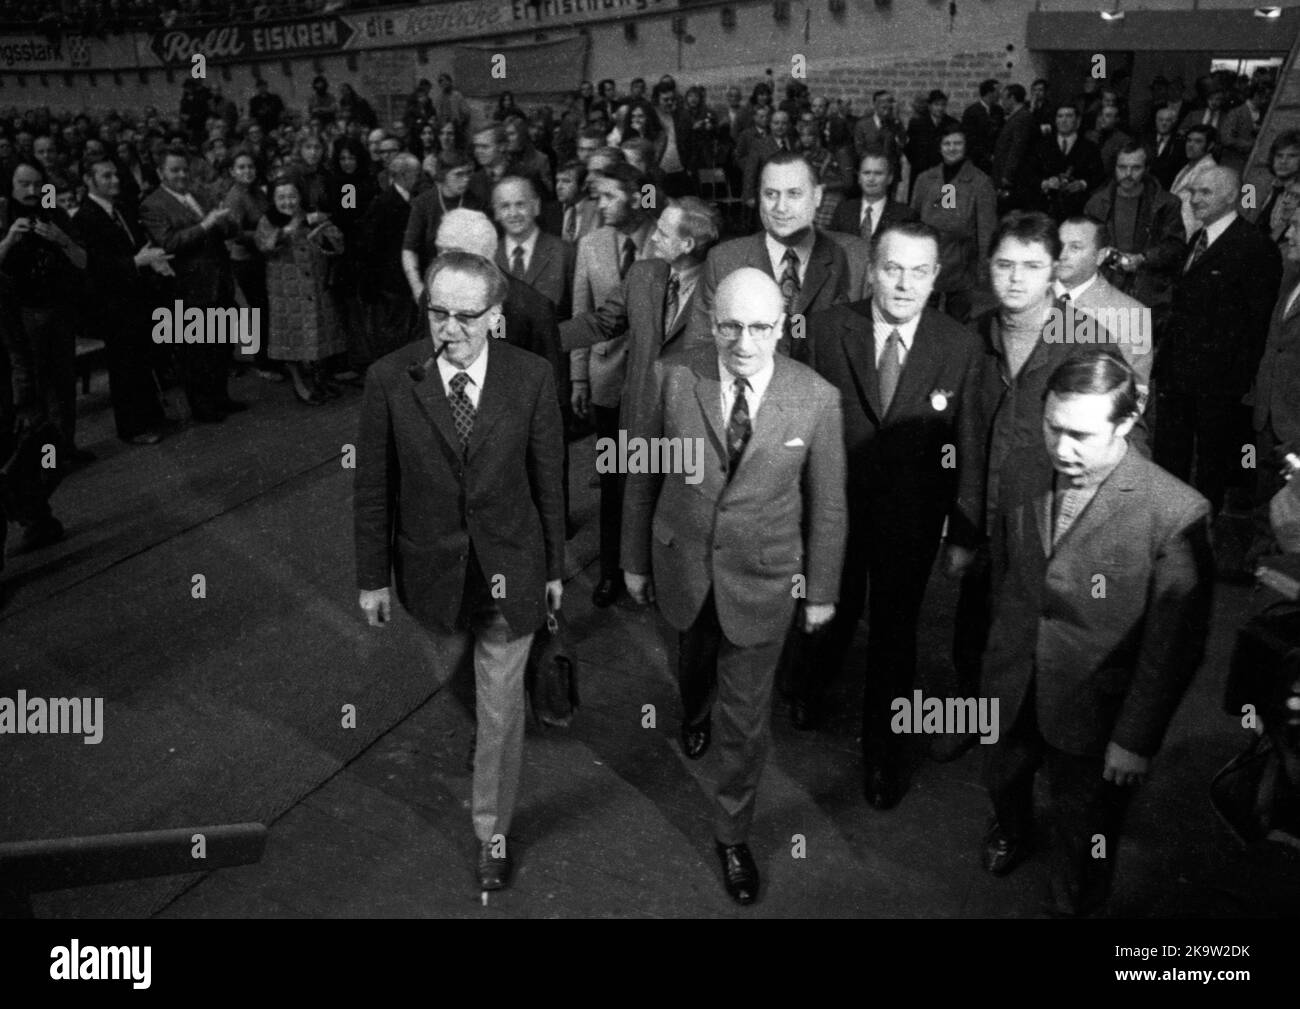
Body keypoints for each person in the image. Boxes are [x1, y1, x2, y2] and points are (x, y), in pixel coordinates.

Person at [621, 267, 846, 905]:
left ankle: (732, 834)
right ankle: (691, 712)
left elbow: (828, 505)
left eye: (759, 327)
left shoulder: (816, 397)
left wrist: (823, 588)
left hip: (765, 579)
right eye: (729, 326)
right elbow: (639, 473)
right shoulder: (672, 376)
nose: (743, 344)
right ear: (710, 322)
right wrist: (632, 559)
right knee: (691, 663)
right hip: (682, 567)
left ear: (783, 325)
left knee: (745, 721)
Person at [354, 250, 565, 892]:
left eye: (467, 316)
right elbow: (373, 488)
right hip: (431, 577)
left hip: (512, 569)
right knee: (458, 682)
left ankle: (491, 834)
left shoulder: (530, 377)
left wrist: (554, 567)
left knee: (500, 709)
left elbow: (548, 478)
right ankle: (490, 741)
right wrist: (371, 577)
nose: (449, 329)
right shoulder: (390, 379)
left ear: (495, 317)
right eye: (437, 313)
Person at [980, 351, 1213, 917]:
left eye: (1081, 436)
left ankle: (1074, 897)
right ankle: (1012, 828)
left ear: (1126, 424)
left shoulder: (1174, 513)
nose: (1061, 450)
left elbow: (1172, 648)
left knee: (1084, 823)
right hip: (1012, 678)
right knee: (1002, 776)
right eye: (1052, 427)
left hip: (1095, 707)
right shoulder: (1023, 469)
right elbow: (1007, 574)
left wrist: (1134, 739)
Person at [801, 220, 985, 801]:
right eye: (892, 268)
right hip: (834, 516)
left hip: (911, 525)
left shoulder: (959, 346)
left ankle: (882, 757)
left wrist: (963, 529)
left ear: (936, 278)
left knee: (894, 637)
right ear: (872, 269)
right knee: (827, 609)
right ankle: (807, 687)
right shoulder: (828, 330)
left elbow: (969, 442)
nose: (904, 284)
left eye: (919, 271)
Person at [1155, 165, 1283, 516]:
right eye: (1193, 192)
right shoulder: (1198, 238)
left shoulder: (1254, 248)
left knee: (1213, 466)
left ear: (1231, 197)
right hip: (1178, 375)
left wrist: (1238, 379)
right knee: (1171, 460)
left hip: (1218, 384)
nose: (1194, 200)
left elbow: (1256, 325)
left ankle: (1203, 535)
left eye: (1204, 193)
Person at [570, 162, 656, 608]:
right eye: (596, 197)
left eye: (608, 196)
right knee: (612, 480)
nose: (599, 206)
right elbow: (583, 315)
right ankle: (610, 570)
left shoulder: (664, 241)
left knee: (653, 477)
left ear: (638, 196)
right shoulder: (591, 246)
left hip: (654, 384)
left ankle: (647, 567)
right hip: (607, 382)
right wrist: (579, 377)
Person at [561, 196, 720, 437]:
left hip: (694, 424)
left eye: (664, 234)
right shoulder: (641, 274)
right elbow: (603, 324)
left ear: (687, 244)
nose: (654, 238)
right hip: (642, 418)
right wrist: (543, 336)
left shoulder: (721, 289)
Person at [690, 152, 851, 363]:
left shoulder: (853, 259)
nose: (780, 207)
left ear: (817, 196)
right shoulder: (723, 261)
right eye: (771, 194)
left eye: (793, 194)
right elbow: (699, 351)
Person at [139, 147, 245, 424]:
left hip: (219, 280)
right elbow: (169, 243)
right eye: (175, 170)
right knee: (196, 352)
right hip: (188, 287)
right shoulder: (152, 204)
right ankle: (202, 407)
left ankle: (221, 397)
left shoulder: (200, 194)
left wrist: (226, 222)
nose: (182, 175)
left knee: (222, 345)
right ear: (161, 173)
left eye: (185, 169)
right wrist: (207, 225)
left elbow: (226, 231)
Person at [78, 154, 172, 444]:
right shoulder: (85, 218)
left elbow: (135, 246)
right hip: (112, 302)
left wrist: (152, 260)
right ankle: (132, 428)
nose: (115, 180)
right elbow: (94, 267)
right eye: (106, 176)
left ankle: (152, 416)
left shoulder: (121, 209)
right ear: (88, 180)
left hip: (135, 296)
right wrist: (136, 262)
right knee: (124, 367)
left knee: (141, 360)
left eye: (116, 175)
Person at [0, 160, 89, 457]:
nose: (32, 190)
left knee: (64, 381)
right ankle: (40, 457)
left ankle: (65, 448)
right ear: (10, 185)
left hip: (59, 307)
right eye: (23, 184)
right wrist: (9, 239)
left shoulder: (53, 213)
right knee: (33, 387)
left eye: (37, 184)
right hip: (22, 313)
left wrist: (61, 239)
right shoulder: (3, 214)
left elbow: (83, 260)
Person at [256, 178, 345, 406]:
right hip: (286, 289)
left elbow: (338, 244)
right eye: (282, 197)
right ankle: (299, 384)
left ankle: (319, 380)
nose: (288, 202)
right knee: (292, 336)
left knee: (317, 333)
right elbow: (264, 246)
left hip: (316, 283)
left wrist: (325, 230)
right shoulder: (268, 220)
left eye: (292, 196)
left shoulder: (312, 214)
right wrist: (288, 230)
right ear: (273, 200)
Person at [1052, 216, 1154, 397]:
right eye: (1058, 245)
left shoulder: (1133, 315)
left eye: (1075, 247)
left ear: (1100, 256)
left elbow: (1137, 393)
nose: (1062, 255)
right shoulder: (1028, 298)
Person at [1082, 141, 1185, 313]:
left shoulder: (1166, 204)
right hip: (1105, 288)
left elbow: (1175, 246)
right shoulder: (1096, 203)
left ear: (1146, 169)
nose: (1128, 174)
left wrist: (1143, 258)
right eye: (1122, 167)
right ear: (1114, 168)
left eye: (1135, 168)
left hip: (1147, 291)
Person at [909, 125, 996, 323]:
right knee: (921, 319)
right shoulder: (925, 179)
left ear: (966, 147)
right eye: (947, 144)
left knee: (957, 321)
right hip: (927, 259)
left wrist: (984, 265)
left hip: (962, 264)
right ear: (939, 147)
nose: (952, 148)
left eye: (958, 143)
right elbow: (913, 217)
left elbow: (986, 229)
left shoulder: (980, 182)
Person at [357, 153, 422, 367]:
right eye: (416, 173)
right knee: (395, 332)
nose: (420, 177)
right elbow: (371, 248)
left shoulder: (410, 199)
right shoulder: (384, 204)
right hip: (391, 283)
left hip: (403, 279)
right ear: (403, 175)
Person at [222, 148, 278, 382]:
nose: (247, 171)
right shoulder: (235, 196)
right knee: (258, 310)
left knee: (266, 308)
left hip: (262, 257)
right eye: (242, 167)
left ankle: (271, 357)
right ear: (232, 172)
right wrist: (263, 235)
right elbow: (233, 233)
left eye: (251, 167)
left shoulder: (257, 192)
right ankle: (262, 362)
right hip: (245, 260)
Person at [491, 175, 574, 319]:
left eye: (520, 204)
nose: (513, 213)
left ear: (536, 206)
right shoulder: (488, 258)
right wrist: (501, 340)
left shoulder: (565, 253)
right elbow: (493, 319)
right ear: (496, 212)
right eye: (505, 206)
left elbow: (577, 314)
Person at [1032, 104, 1103, 221]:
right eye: (1060, 116)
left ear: (1078, 121)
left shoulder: (1090, 147)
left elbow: (1099, 175)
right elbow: (1029, 173)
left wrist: (1082, 184)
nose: (1063, 120)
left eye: (1069, 116)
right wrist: (1045, 183)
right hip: (1046, 210)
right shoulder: (1041, 146)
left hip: (1077, 211)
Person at [828, 149, 917, 239]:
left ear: (889, 178)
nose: (871, 179)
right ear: (859, 177)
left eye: (878, 173)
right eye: (866, 173)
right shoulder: (843, 211)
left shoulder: (905, 216)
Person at [904, 90, 959, 199]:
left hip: (945, 172)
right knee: (920, 205)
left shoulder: (953, 124)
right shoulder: (917, 124)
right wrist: (918, 163)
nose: (940, 108)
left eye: (943, 105)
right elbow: (909, 148)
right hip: (922, 171)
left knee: (946, 206)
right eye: (936, 105)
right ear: (929, 106)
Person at [1168, 125, 1219, 239]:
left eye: (1198, 142)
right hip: (1170, 226)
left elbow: (1196, 216)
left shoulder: (1209, 173)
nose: (1190, 145)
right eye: (1189, 140)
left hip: (1182, 233)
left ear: (1210, 145)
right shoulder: (1189, 165)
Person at [992, 84, 1036, 211]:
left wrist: (1007, 175)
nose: (1002, 103)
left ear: (1012, 98)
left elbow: (1017, 148)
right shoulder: (1016, 117)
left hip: (1014, 180)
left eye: (1003, 98)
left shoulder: (1022, 118)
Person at [961, 78, 1005, 177]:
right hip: (977, 161)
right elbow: (970, 139)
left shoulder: (999, 111)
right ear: (990, 93)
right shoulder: (971, 112)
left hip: (996, 161)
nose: (1000, 95)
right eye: (998, 92)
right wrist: (987, 156)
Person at [1144, 106, 1185, 192]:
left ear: (1173, 122)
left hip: (1167, 188)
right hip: (1144, 185)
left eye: (1168, 120)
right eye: (1160, 120)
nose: (1163, 123)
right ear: (1155, 121)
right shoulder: (1145, 138)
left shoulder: (1180, 143)